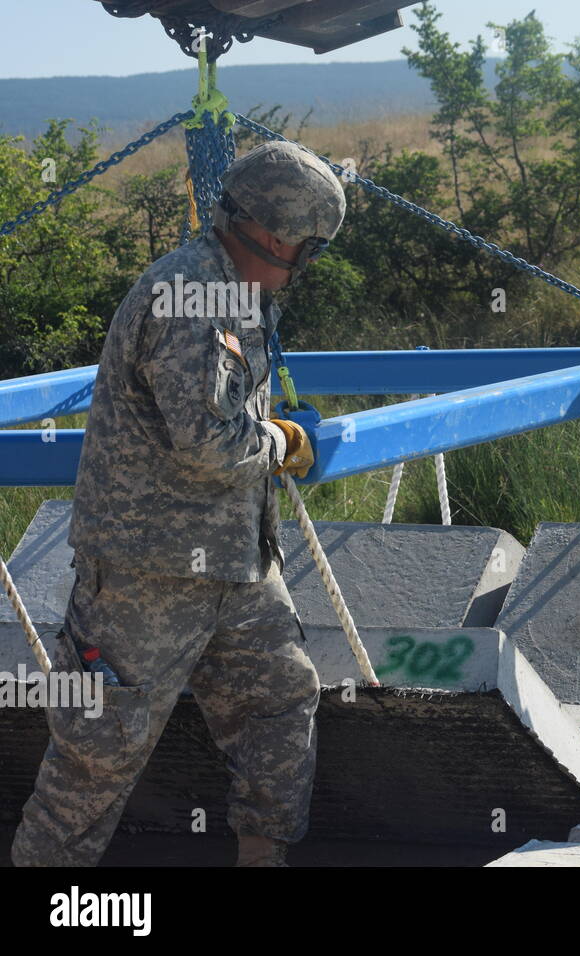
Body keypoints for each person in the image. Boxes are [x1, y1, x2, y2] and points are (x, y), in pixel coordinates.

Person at [10, 140, 343, 867]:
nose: (300, 269)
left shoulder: (234, 290)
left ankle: (262, 859)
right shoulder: (190, 291)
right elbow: (209, 443)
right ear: (266, 232)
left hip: (234, 563)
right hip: (146, 574)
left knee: (279, 704)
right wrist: (285, 443)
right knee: (97, 757)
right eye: (300, 252)